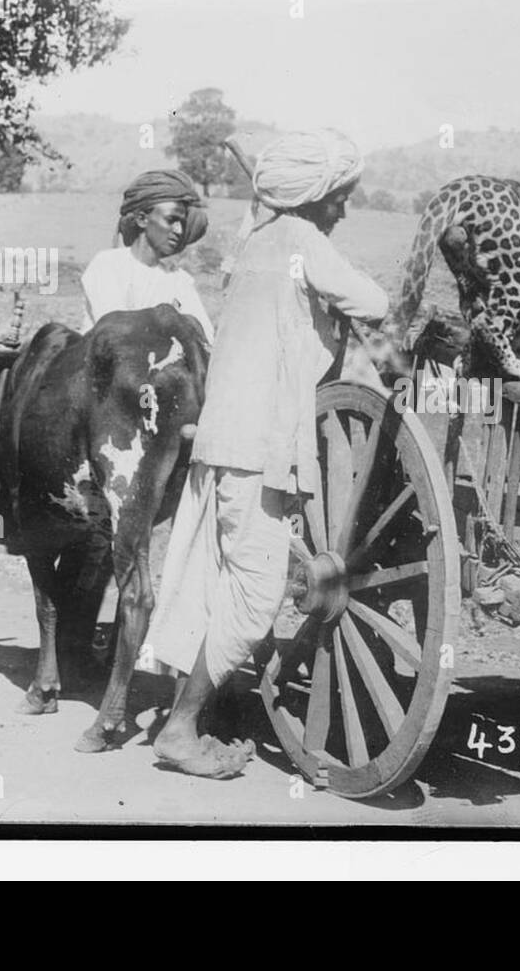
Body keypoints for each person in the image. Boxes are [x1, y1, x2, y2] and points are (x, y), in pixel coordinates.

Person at [145, 129, 389, 778]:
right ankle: (180, 728)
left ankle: (189, 714)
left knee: (218, 580)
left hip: (223, 436)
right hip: (258, 445)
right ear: (317, 196)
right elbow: (375, 302)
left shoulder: (255, 242)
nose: (344, 209)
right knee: (255, 596)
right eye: (340, 197)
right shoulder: (305, 242)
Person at [79, 168, 217, 342]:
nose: (179, 230)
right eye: (171, 220)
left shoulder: (179, 280)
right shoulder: (107, 265)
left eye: (182, 223)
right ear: (142, 219)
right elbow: (116, 331)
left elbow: (205, 336)